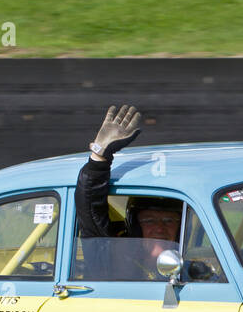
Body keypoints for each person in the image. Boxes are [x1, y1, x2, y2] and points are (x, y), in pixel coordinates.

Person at [75, 105, 184, 280]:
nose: (159, 228)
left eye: (169, 220)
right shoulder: (109, 259)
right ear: (134, 226)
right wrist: (99, 157)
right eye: (149, 220)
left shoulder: (192, 263)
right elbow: (89, 210)